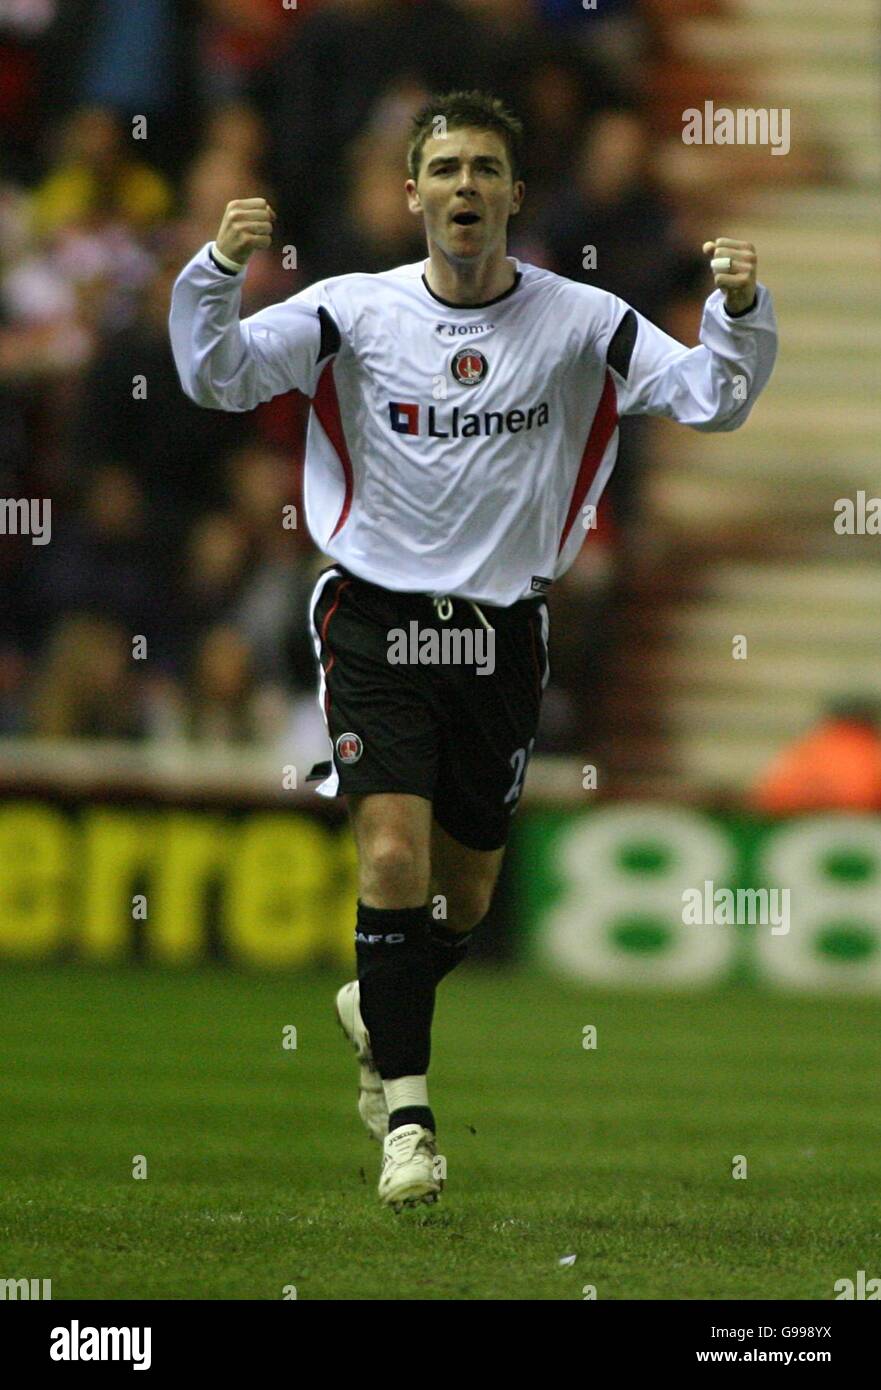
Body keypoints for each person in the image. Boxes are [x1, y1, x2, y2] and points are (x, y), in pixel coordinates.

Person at [169, 89, 778, 1212]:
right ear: (411, 195)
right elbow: (217, 376)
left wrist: (737, 309)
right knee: (391, 859)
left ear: (512, 196)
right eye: (443, 169)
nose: (463, 187)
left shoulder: (583, 321)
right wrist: (212, 272)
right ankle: (408, 1119)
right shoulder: (347, 311)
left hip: (501, 633)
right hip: (373, 617)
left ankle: (382, 993)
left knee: (461, 900)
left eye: (483, 170)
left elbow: (709, 399)